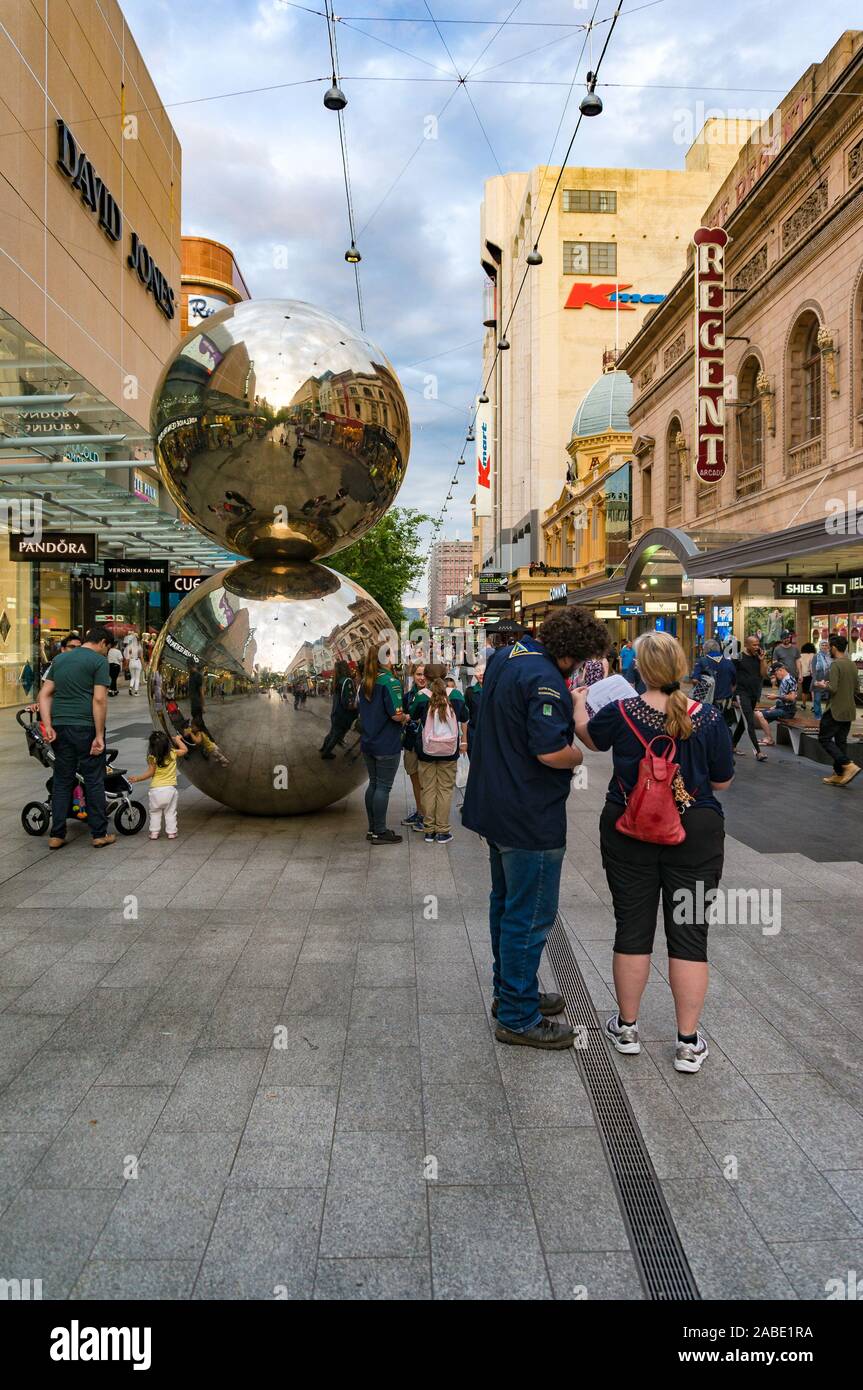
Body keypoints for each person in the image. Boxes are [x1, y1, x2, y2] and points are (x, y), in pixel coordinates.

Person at [574, 630, 734, 1074]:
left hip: (630, 828)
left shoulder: (623, 710)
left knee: (632, 927)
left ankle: (627, 1029)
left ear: (639, 670)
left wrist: (576, 704)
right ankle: (687, 1043)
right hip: (696, 832)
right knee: (689, 933)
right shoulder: (709, 718)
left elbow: (589, 739)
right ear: (681, 669)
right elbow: (721, 782)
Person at [463, 608, 609, 1050]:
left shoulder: (508, 656)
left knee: (506, 905)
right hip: (529, 814)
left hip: (495, 805)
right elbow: (550, 751)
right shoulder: (545, 679)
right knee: (529, 917)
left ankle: (510, 993)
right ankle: (517, 1017)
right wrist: (579, 756)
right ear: (572, 655)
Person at [37, 625, 116, 850]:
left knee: (62, 781)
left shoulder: (60, 660)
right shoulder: (99, 662)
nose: (106, 653)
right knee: (93, 779)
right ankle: (99, 834)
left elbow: (44, 694)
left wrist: (48, 725)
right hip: (85, 727)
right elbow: (99, 700)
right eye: (107, 649)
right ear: (102, 643)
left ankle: (57, 835)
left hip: (60, 727)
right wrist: (99, 734)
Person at [411, 664, 469, 844]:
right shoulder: (456, 695)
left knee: (427, 789)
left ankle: (429, 830)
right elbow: (465, 716)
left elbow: (413, 716)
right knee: (444, 789)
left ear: (426, 677)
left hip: (426, 750)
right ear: (445, 676)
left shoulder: (421, 697)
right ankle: (442, 831)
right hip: (449, 750)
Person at [358, 641, 408, 845]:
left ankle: (372, 829)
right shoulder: (390, 682)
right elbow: (396, 716)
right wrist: (406, 716)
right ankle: (379, 831)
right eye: (392, 654)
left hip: (368, 742)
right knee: (384, 787)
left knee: (374, 784)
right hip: (386, 743)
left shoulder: (365, 681)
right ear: (385, 658)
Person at [816, 634, 860, 786]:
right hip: (849, 709)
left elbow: (833, 688)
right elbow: (856, 689)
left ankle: (848, 765)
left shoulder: (835, 665)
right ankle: (839, 774)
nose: (828, 649)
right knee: (841, 742)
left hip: (835, 709)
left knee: (824, 738)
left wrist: (823, 685)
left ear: (834, 648)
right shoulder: (852, 665)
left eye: (829, 646)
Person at [129, 730, 189, 839]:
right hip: (170, 790)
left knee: (155, 813)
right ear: (167, 744)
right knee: (170, 812)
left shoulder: (152, 758)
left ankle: (154, 833)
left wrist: (137, 778)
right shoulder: (173, 753)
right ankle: (171, 832)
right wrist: (177, 739)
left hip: (155, 791)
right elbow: (185, 750)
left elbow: (150, 773)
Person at [732, 635, 769, 762]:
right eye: (754, 645)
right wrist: (732, 697)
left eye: (758, 644)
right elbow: (732, 678)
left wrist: (762, 660)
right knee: (749, 721)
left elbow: (764, 674)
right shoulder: (738, 658)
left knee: (743, 722)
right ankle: (758, 752)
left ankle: (732, 745)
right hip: (742, 693)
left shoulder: (758, 658)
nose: (757, 647)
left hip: (754, 694)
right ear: (747, 645)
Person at [401, 662, 428, 830]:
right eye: (418, 674)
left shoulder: (433, 694)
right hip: (411, 742)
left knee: (426, 782)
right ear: (413, 676)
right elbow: (403, 716)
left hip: (428, 744)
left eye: (424, 674)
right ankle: (420, 812)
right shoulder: (407, 696)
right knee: (415, 779)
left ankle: (427, 817)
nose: (421, 677)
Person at [320, 660, 357, 759]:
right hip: (343, 715)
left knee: (332, 732)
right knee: (336, 735)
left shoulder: (338, 680)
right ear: (346, 668)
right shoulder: (347, 681)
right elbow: (348, 702)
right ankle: (326, 753)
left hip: (336, 712)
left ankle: (323, 748)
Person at [754, 660, 798, 746]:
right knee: (759, 715)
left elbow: (792, 698)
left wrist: (776, 697)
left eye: (775, 674)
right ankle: (768, 737)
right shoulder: (784, 680)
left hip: (787, 711)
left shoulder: (790, 680)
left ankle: (769, 739)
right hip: (782, 708)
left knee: (759, 714)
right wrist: (775, 706)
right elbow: (784, 698)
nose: (775, 677)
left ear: (780, 670)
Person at [691, 639, 736, 712]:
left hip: (706, 704)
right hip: (725, 704)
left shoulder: (702, 661)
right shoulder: (729, 663)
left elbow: (695, 680)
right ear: (718, 649)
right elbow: (734, 684)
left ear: (706, 650)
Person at [464, 666, 484, 756]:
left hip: (492, 735)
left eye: (484, 670)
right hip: (474, 734)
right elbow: (464, 716)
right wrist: (464, 739)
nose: (481, 674)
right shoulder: (470, 692)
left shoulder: (495, 689)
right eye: (478, 671)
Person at [811, 638, 832, 719]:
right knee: (817, 700)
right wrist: (815, 681)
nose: (824, 646)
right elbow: (813, 670)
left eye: (825, 645)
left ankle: (828, 716)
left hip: (828, 681)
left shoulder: (830, 657)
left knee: (830, 700)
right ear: (819, 647)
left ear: (828, 647)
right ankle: (818, 716)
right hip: (818, 681)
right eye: (822, 645)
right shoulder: (816, 656)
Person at [799, 641, 816, 708]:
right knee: (813, 691)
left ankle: (803, 704)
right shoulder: (813, 655)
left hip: (804, 675)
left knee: (804, 691)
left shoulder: (801, 655)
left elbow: (799, 665)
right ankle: (814, 705)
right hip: (812, 674)